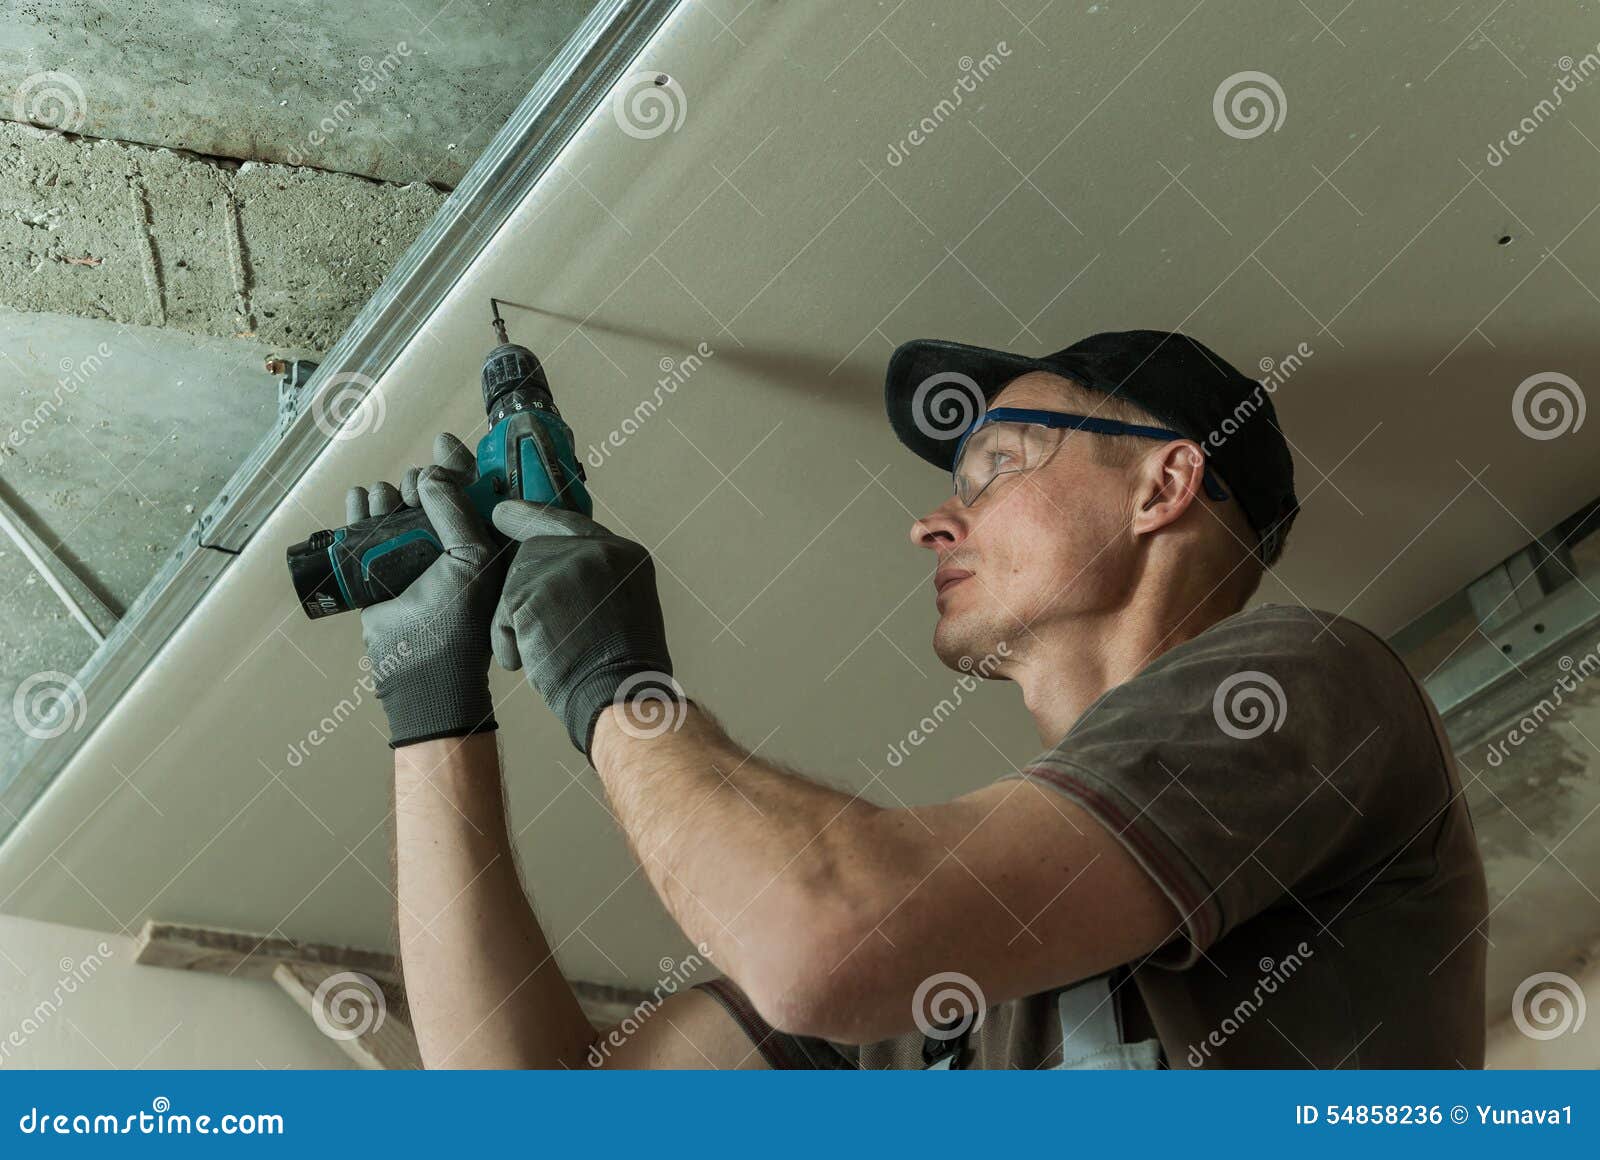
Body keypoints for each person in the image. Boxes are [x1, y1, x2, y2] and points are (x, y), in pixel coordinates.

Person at [348, 328, 1487, 1069]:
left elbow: (821, 937)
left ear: (1164, 481)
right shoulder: (935, 995)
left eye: (997, 464)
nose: (936, 520)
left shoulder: (1306, 685)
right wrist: (433, 709)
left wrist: (613, 686)